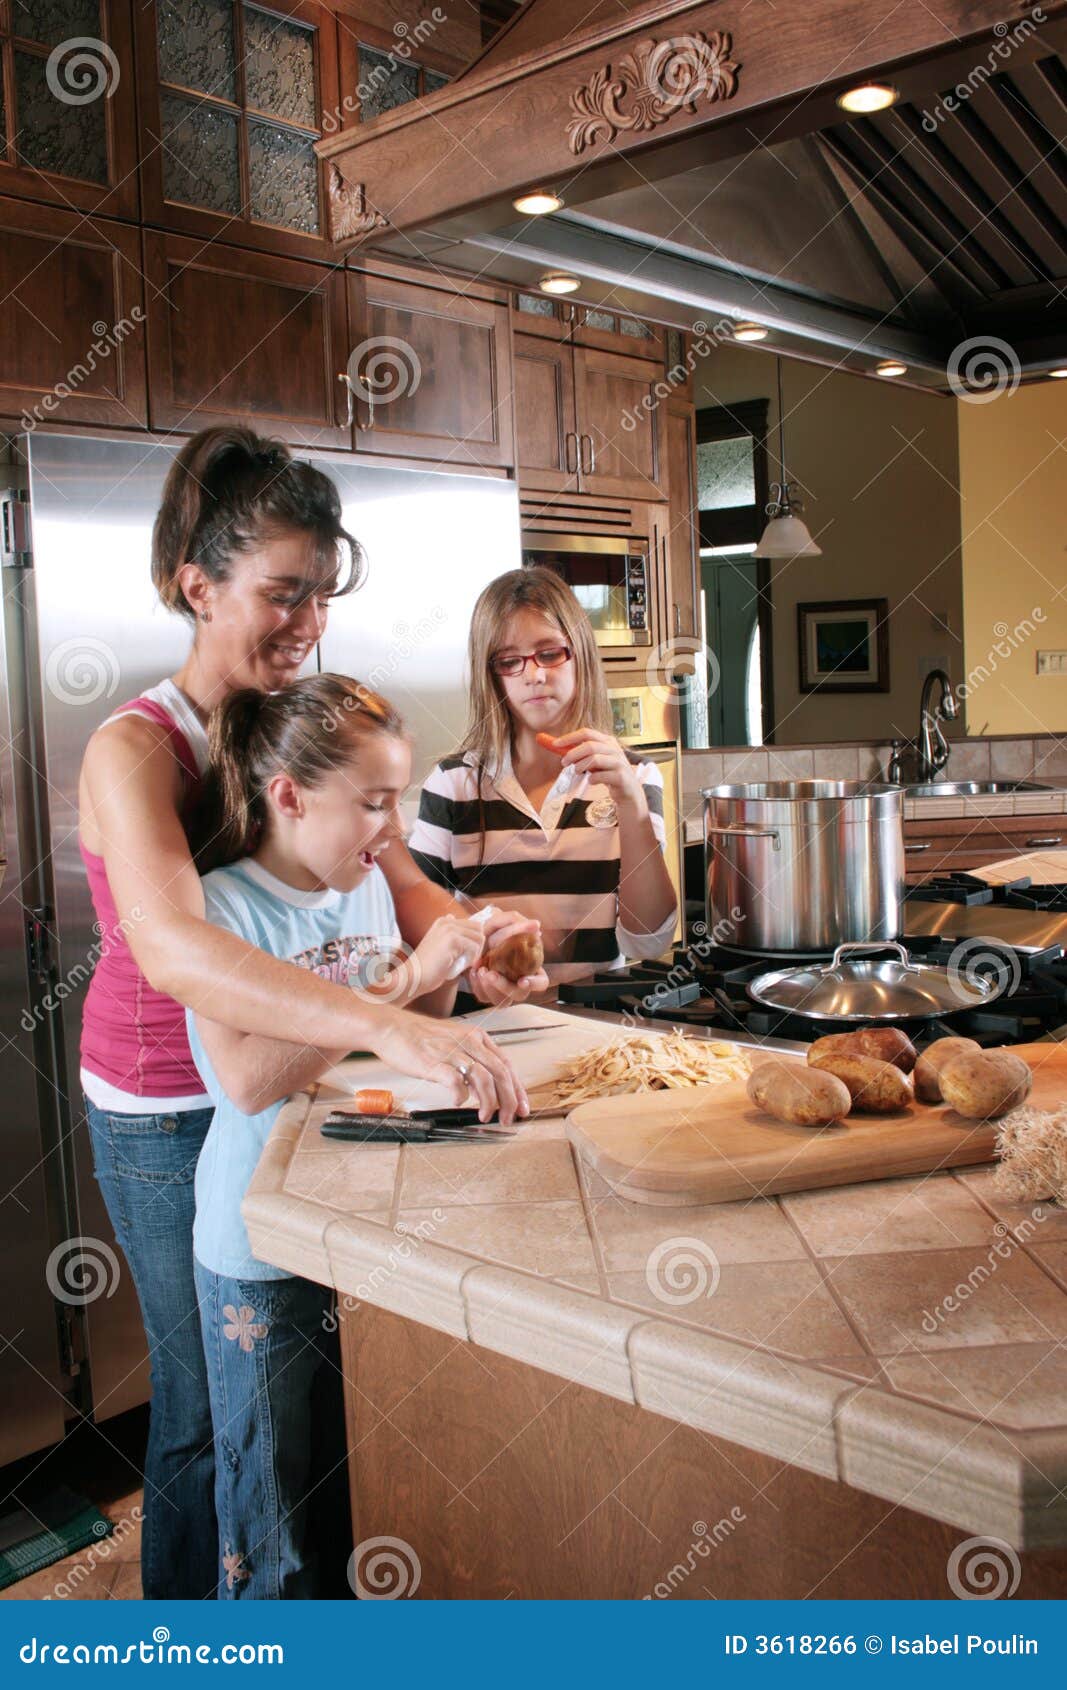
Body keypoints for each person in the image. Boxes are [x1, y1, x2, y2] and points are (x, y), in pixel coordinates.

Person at [77, 426, 539, 1599]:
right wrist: (387, 1017)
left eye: (320, 597)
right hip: (168, 1103)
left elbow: (383, 862)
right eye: (282, 593)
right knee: (197, 1409)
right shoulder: (133, 750)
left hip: (291, 1079)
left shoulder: (286, 725)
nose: (307, 623)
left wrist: (472, 938)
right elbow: (177, 949)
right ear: (197, 584)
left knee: (289, 1402)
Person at [186, 674, 482, 1599]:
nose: (389, 830)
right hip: (257, 1249)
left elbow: (399, 1028)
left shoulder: (355, 887)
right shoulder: (221, 907)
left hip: (353, 1228)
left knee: (349, 1495)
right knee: (269, 1517)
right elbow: (244, 1081)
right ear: (288, 795)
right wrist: (391, 995)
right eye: (373, 804)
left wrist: (450, 965)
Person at [408, 566, 677, 984]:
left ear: (580, 654)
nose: (534, 674)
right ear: (490, 674)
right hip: (481, 1025)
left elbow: (648, 942)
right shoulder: (453, 784)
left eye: (550, 653)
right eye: (510, 661)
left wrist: (631, 805)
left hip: (593, 1027)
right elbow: (414, 933)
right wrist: (480, 956)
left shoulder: (637, 776)